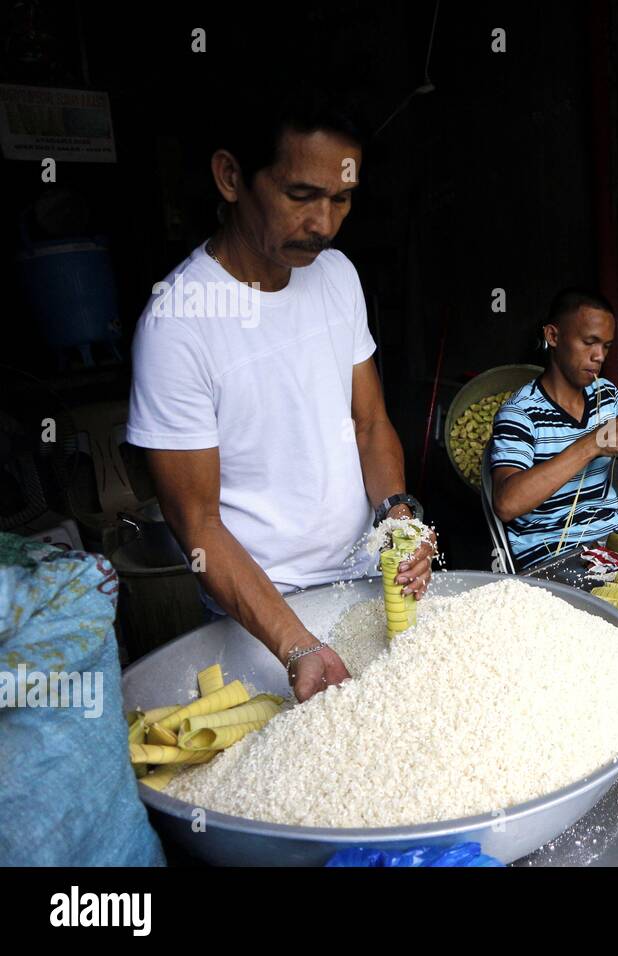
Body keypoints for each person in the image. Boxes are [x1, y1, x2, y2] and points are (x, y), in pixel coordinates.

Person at [127, 89, 434, 702]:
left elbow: (369, 425)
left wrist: (397, 516)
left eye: (341, 199)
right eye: (300, 196)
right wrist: (297, 644)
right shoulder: (178, 324)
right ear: (231, 177)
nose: (323, 224)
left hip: (366, 585)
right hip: (264, 619)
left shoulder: (338, 276)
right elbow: (198, 523)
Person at [487, 289, 618, 568]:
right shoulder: (519, 413)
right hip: (551, 555)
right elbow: (506, 504)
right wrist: (591, 445)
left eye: (606, 346)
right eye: (589, 342)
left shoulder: (607, 397)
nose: (599, 356)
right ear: (553, 337)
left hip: (613, 541)